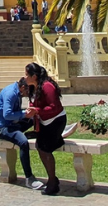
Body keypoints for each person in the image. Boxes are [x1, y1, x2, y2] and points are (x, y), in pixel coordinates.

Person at [24, 62, 77, 196]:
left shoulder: (47, 86)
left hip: (56, 120)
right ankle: (52, 179)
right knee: (40, 145)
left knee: (43, 148)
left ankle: (52, 182)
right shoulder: (33, 87)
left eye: (26, 75)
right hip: (44, 121)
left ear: (34, 76)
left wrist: (37, 110)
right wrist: (32, 110)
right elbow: (34, 103)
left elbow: (54, 107)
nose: (24, 77)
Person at [0, 78, 44, 190]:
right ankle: (29, 178)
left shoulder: (17, 92)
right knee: (23, 142)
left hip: (13, 124)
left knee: (33, 118)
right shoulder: (10, 93)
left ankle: (41, 132)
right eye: (27, 92)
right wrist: (24, 114)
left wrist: (28, 114)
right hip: (4, 128)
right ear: (22, 87)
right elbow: (7, 115)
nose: (27, 95)